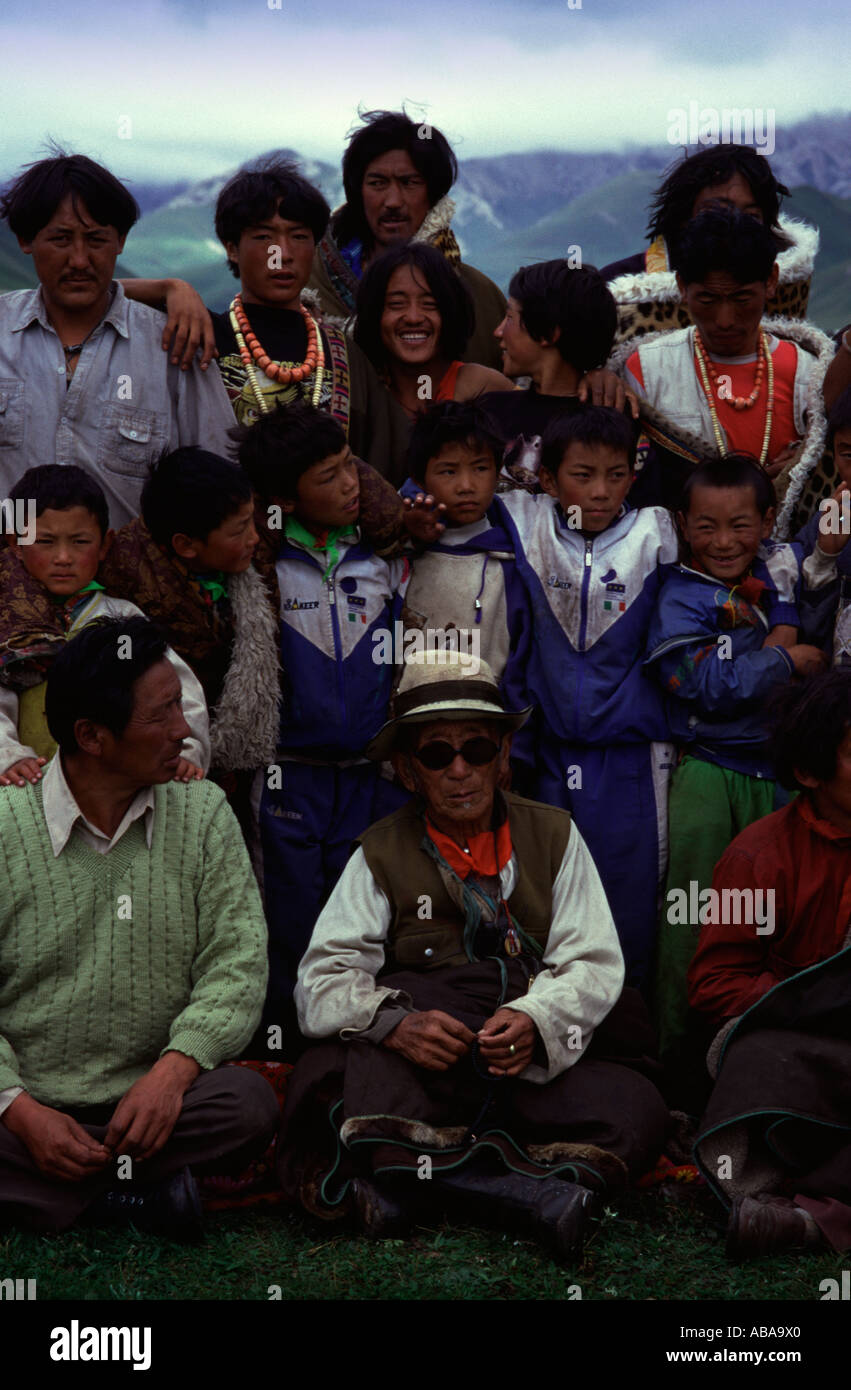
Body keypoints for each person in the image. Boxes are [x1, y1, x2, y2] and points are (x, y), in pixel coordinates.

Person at [279, 652, 669, 1259]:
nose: (460, 770)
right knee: (324, 1079)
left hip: (528, 1067)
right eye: (437, 754)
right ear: (409, 771)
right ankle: (519, 1195)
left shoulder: (556, 835)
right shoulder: (378, 854)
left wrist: (537, 1021)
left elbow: (594, 962)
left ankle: (415, 1186)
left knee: (635, 1105)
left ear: (504, 760)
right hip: (428, 1067)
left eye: (477, 750)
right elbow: (321, 980)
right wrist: (398, 1025)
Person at [0, 617, 278, 1237]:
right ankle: (129, 1198)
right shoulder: (4, 826)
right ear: (92, 737)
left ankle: (62, 1195)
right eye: (161, 717)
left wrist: (173, 1073)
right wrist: (19, 1111)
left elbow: (237, 963)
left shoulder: (202, 811)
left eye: (178, 706)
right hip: (25, 1104)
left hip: (157, 1105)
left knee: (247, 1103)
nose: (183, 731)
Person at [644, 454, 842, 1094]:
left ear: (765, 522)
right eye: (705, 527)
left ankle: (770, 1064)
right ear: (682, 524)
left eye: (739, 525)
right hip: (709, 773)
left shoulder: (782, 571)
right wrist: (783, 662)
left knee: (770, 924)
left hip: (781, 783)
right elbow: (694, 680)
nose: (723, 542)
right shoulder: (679, 594)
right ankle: (679, 1072)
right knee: (694, 921)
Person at [235, 402, 410, 1037]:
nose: (349, 486)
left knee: (362, 919)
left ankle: (353, 1046)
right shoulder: (261, 571)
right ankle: (283, 1051)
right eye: (328, 477)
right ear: (284, 497)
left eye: (350, 468)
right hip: (288, 778)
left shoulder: (383, 560)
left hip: (369, 774)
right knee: (288, 918)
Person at [489, 407, 679, 987]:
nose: (600, 492)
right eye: (582, 474)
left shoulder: (659, 533)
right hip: (546, 753)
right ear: (546, 479)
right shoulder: (521, 520)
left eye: (616, 475)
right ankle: (546, 1030)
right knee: (544, 902)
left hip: (631, 759)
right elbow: (444, 477)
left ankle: (626, 1044)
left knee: (629, 904)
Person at [690, 671, 851, 1258]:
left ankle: (803, 1221)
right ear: (808, 773)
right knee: (758, 1063)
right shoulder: (756, 856)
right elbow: (713, 985)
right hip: (800, 1052)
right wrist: (813, 1001)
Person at [0, 152, 236, 529]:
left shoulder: (174, 346)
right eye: (60, 239)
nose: (79, 260)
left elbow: (222, 485)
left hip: (130, 587)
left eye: (96, 239)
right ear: (26, 240)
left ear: (121, 240)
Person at [615, 207, 835, 520]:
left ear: (771, 281)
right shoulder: (646, 370)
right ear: (681, 287)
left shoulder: (807, 374)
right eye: (707, 300)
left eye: (742, 299)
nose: (725, 320)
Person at [0, 465, 209, 786]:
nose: (64, 557)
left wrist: (185, 751)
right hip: (25, 785)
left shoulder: (125, 621)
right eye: (45, 541)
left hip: (116, 791)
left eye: (80, 541)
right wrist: (9, 757)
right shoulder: (7, 624)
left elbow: (181, 696)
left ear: (105, 545)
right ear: (16, 542)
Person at [98, 447, 279, 782]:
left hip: (241, 762)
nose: (255, 537)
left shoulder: (247, 552)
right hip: (167, 762)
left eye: (251, 522)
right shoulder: (123, 581)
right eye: (239, 530)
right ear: (186, 546)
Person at [308, 109, 506, 370]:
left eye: (409, 183)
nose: (393, 202)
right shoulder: (307, 286)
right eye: (378, 183)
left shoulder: (480, 298)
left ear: (433, 193)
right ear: (358, 193)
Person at [600, 142, 817, 343]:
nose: (733, 223)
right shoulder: (613, 288)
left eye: (750, 216)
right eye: (717, 211)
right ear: (683, 216)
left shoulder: (786, 291)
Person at [400, 400, 531, 703]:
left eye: (481, 468)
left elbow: (520, 660)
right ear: (419, 480)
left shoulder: (513, 558)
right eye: (448, 471)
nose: (466, 486)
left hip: (488, 719)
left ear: (498, 471)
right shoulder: (400, 554)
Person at [483, 261, 637, 487]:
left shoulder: (612, 418)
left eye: (509, 318)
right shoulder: (489, 411)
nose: (498, 332)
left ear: (547, 334)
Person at [353, 242, 514, 418]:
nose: (413, 318)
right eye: (396, 304)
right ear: (373, 314)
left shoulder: (486, 390)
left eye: (429, 304)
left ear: (451, 312)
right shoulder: (358, 395)